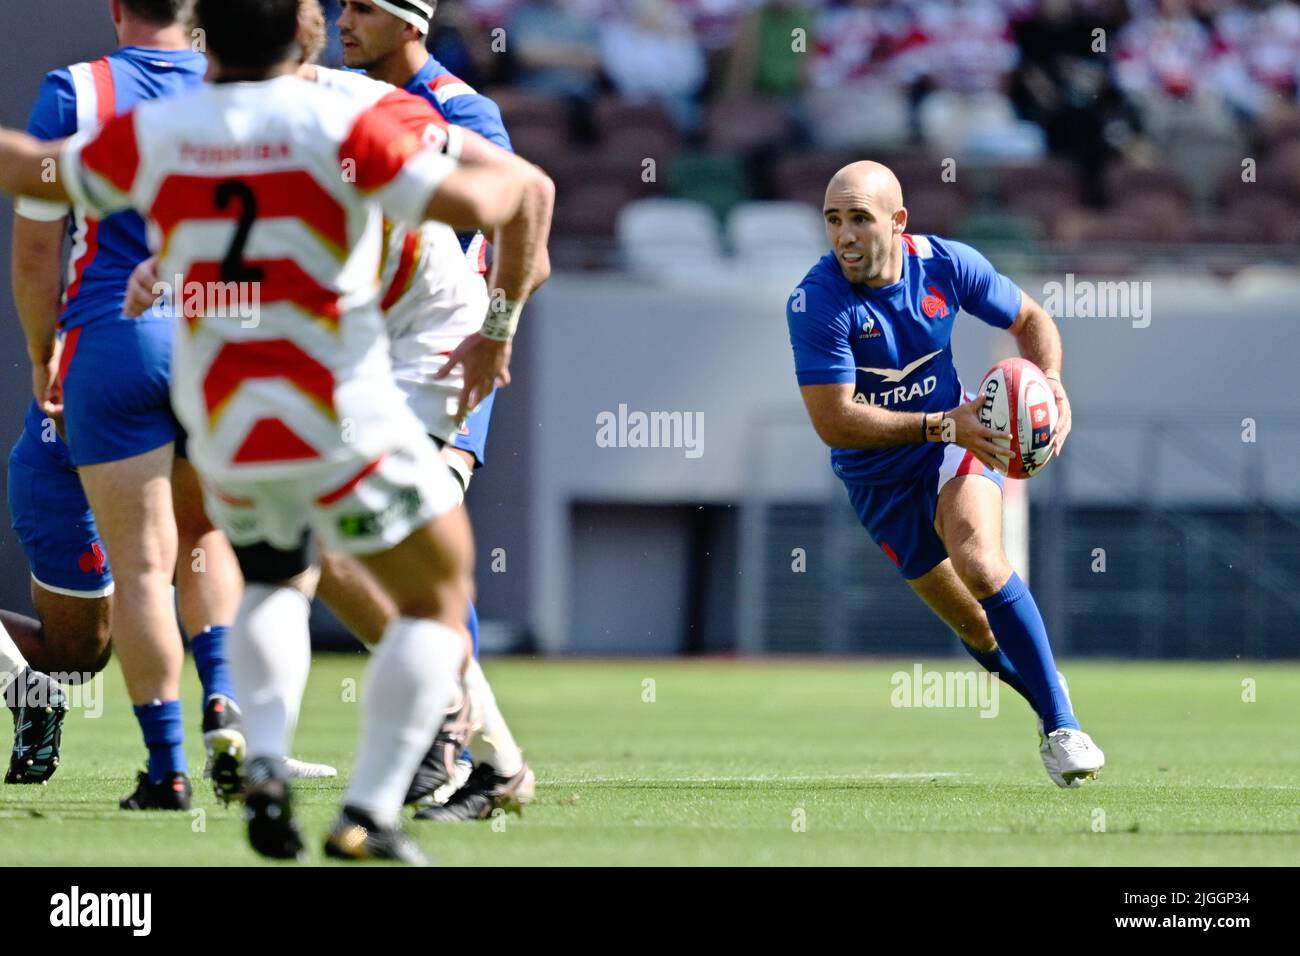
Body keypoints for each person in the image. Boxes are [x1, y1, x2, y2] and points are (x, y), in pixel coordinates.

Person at [0, 0, 542, 861]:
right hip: (337, 399)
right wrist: (507, 188)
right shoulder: (342, 118)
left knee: (271, 576)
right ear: (304, 30)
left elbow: (37, 176)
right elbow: (491, 195)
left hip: (227, 413)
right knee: (436, 600)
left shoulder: (162, 129)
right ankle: (369, 811)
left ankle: (265, 771)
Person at [785, 160, 1105, 788]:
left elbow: (1031, 320)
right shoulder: (816, 302)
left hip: (957, 442)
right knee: (975, 625)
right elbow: (835, 421)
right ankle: (1043, 686)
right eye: (832, 220)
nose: (844, 235)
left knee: (980, 561)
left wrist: (1054, 385)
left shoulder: (946, 264)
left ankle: (1062, 724)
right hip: (879, 476)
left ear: (898, 223)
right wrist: (940, 423)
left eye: (859, 219)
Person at [8, 0, 245, 809]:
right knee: (206, 540)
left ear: (115, 7)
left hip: (117, 332)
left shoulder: (76, 90)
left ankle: (167, 769)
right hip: (224, 331)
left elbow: (39, 247)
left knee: (143, 565)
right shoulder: (243, 82)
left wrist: (43, 353)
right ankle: (226, 702)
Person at [330, 0, 540, 816]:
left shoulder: (461, 111)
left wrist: (496, 333)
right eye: (341, 6)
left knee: (415, 557)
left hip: (437, 363)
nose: (345, 19)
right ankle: (472, 749)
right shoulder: (344, 97)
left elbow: (509, 229)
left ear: (411, 21)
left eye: (365, 8)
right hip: (364, 365)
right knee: (353, 557)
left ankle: (450, 751)